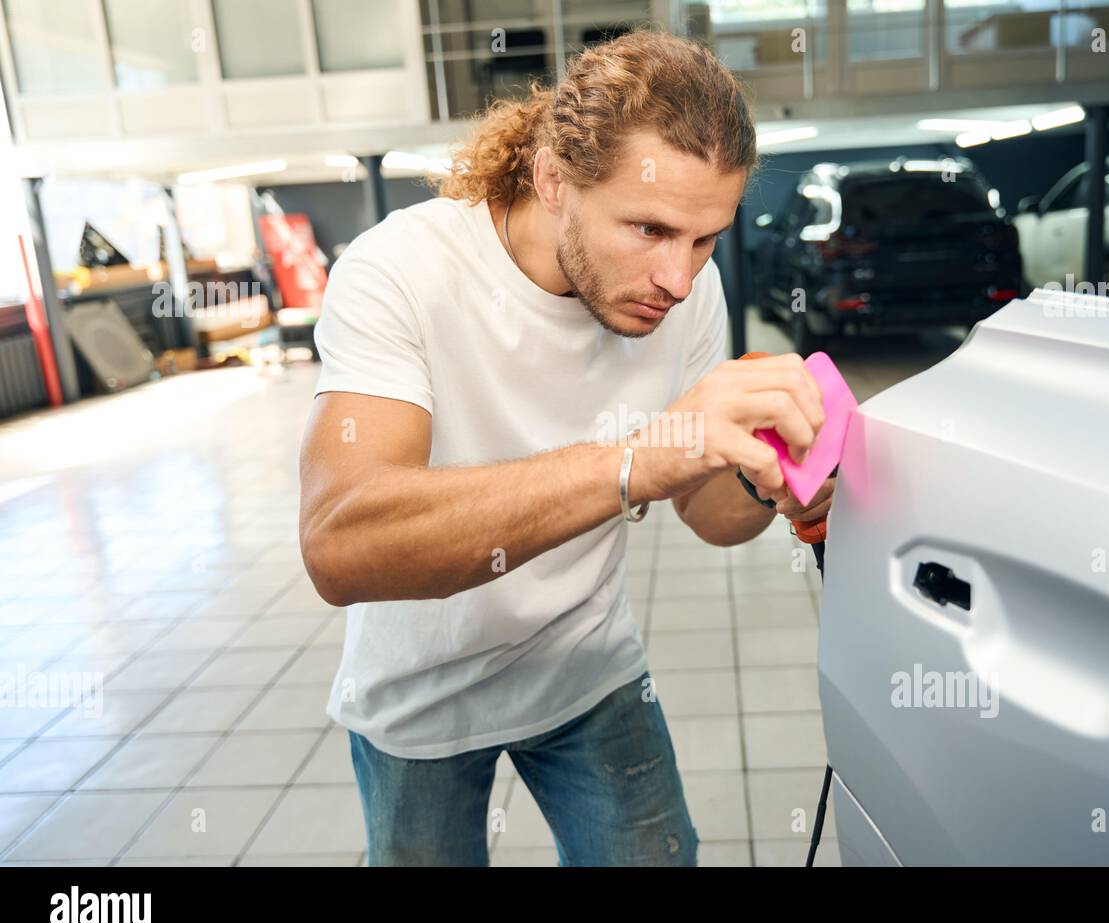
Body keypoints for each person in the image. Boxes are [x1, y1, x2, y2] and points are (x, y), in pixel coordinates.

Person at [298, 28, 836, 867]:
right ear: (553, 179)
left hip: (590, 671)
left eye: (705, 240)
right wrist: (633, 460)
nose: (680, 279)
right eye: (649, 228)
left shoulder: (686, 291)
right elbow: (341, 544)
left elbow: (709, 512)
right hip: (418, 696)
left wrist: (774, 483)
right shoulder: (400, 271)